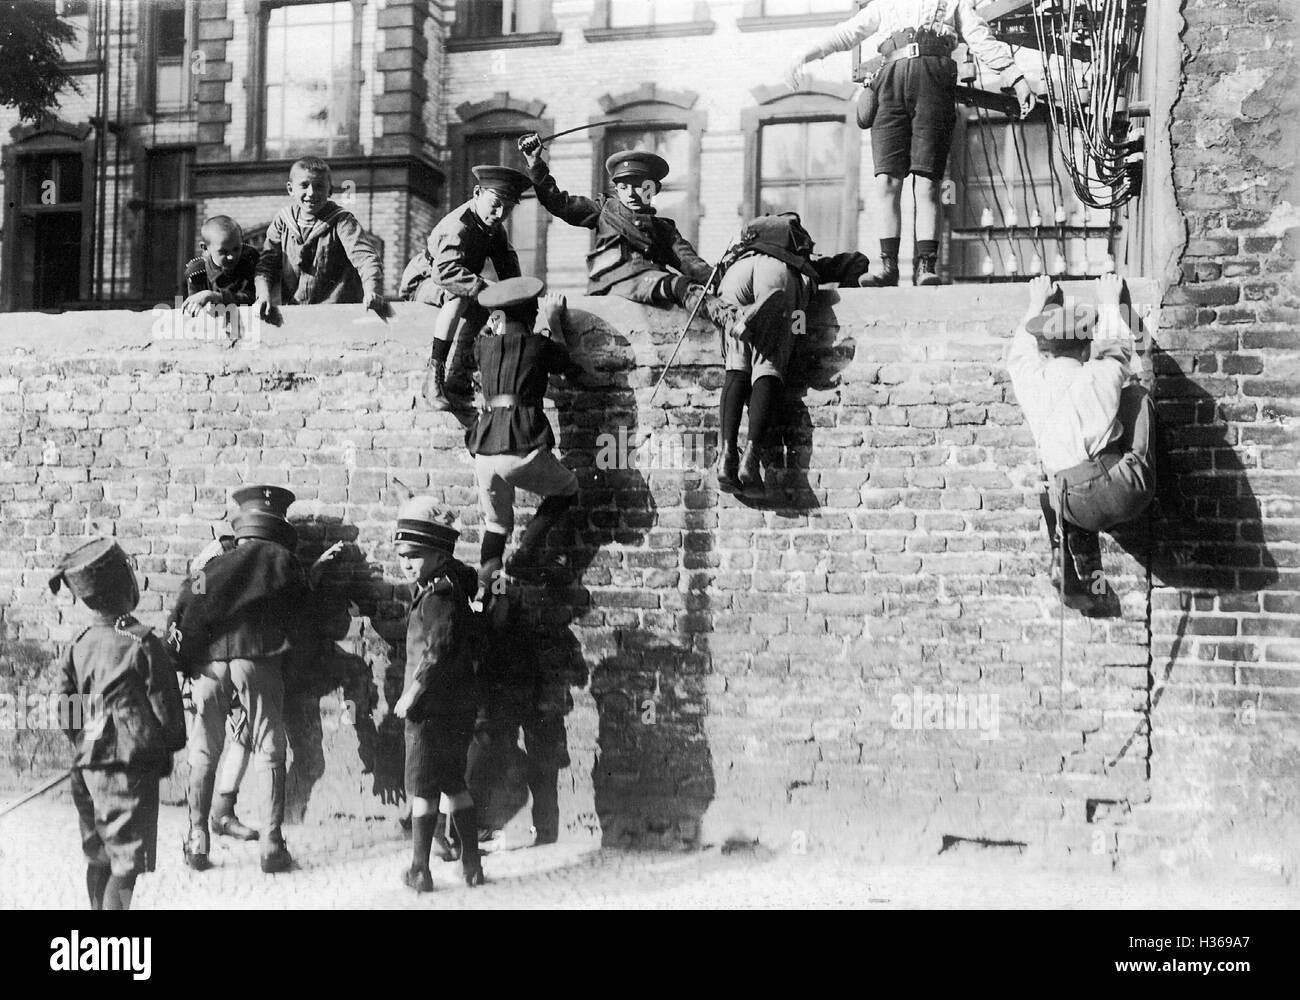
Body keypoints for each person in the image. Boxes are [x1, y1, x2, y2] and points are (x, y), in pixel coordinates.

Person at [785, 0, 1033, 286]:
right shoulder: (884, 4)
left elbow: (979, 37)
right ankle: (888, 267)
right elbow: (847, 33)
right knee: (887, 181)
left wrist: (1015, 77)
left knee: (927, 182)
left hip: (934, 78)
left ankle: (926, 266)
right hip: (889, 81)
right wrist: (805, 53)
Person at [167, 485, 340, 873]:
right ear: (278, 525)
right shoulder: (283, 560)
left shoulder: (212, 558)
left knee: (204, 750)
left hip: (208, 665)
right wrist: (314, 575)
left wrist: (182, 659)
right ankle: (271, 844)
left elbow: (189, 599)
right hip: (258, 661)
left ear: (240, 523)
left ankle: (197, 838)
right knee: (269, 747)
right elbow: (304, 610)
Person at [518, 135, 785, 339]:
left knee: (687, 283)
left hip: (647, 283)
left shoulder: (663, 229)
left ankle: (742, 315)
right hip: (615, 282)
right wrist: (535, 164)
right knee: (679, 286)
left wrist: (721, 274)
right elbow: (559, 203)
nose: (631, 193)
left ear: (652, 190)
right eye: (623, 187)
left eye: (639, 186)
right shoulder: (604, 210)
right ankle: (732, 320)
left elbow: (691, 263)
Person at [1005, 273, 1155, 616]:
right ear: (1086, 346)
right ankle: (1154, 479)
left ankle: (1087, 578)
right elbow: (1117, 346)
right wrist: (1110, 298)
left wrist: (1036, 303)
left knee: (1055, 477)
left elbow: (1018, 353)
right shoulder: (1097, 373)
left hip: (1070, 505)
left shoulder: (1029, 378)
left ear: (1047, 348)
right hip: (1122, 494)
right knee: (1136, 395)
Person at [50, 538, 186, 910]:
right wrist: (166, 747)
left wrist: (87, 744)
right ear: (127, 585)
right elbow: (169, 715)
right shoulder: (141, 642)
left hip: (87, 769)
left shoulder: (79, 643)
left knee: (100, 855)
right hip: (130, 770)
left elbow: (67, 710)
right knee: (125, 862)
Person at [716, 212, 873, 499]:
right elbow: (856, 261)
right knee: (767, 366)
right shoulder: (799, 258)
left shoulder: (742, 247)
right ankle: (750, 460)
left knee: (736, 367)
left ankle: (726, 455)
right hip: (777, 277)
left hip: (735, 275)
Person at [466, 276, 586, 588]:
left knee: (496, 525)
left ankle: (487, 596)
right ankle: (525, 556)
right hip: (518, 448)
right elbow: (567, 364)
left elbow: (483, 341)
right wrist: (555, 322)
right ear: (533, 313)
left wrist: (492, 325)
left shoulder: (483, 347)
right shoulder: (538, 345)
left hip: (483, 451)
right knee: (568, 488)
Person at [391, 497, 485, 892]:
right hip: (458, 705)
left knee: (423, 789)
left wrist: (413, 691)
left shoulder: (438, 596)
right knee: (453, 782)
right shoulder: (451, 583)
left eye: (414, 555)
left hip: (430, 708)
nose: (406, 563)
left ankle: (419, 869)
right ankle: (472, 865)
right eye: (401, 555)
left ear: (437, 554)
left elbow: (439, 647)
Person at [401, 165, 532, 411]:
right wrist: (484, 286)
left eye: (508, 208)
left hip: (457, 280)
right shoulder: (458, 225)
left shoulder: (494, 228)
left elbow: (509, 269)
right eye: (495, 203)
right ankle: (434, 377)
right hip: (424, 281)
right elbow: (445, 273)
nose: (500, 213)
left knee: (499, 313)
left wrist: (518, 299)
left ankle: (465, 376)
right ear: (477, 193)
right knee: (458, 298)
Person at [253, 156, 385, 318]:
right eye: (304, 186)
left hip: (336, 312)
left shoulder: (342, 220)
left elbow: (365, 258)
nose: (311, 193)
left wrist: (372, 290)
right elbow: (266, 265)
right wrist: (263, 295)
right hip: (294, 312)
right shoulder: (283, 220)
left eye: (319, 186)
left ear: (330, 190)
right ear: (290, 189)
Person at [182, 215, 260, 317]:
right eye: (223, 251)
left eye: (236, 249)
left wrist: (215, 296)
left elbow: (252, 298)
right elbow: (193, 309)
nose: (231, 256)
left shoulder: (249, 261)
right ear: (205, 248)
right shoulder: (197, 273)